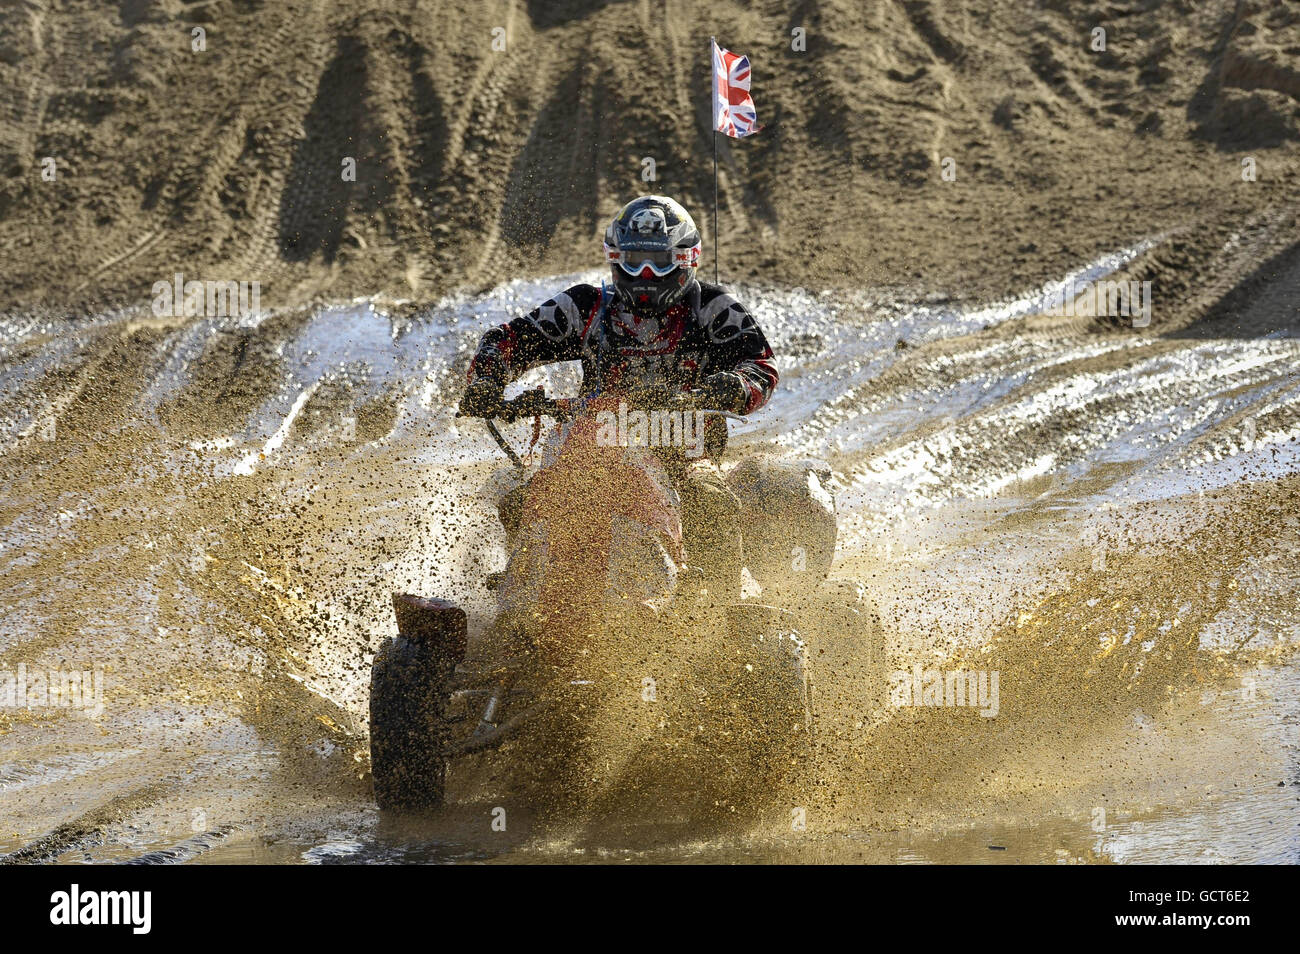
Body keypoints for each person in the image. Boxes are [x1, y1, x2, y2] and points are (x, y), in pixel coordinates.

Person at [458, 195, 778, 601]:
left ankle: (718, 614)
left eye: (658, 260)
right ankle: (521, 593)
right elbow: (510, 338)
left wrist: (729, 387)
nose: (645, 272)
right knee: (520, 497)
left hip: (682, 449)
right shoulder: (586, 305)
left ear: (685, 259)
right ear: (614, 257)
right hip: (589, 444)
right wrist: (486, 382)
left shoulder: (712, 307)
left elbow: (760, 364)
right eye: (633, 259)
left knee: (710, 503)